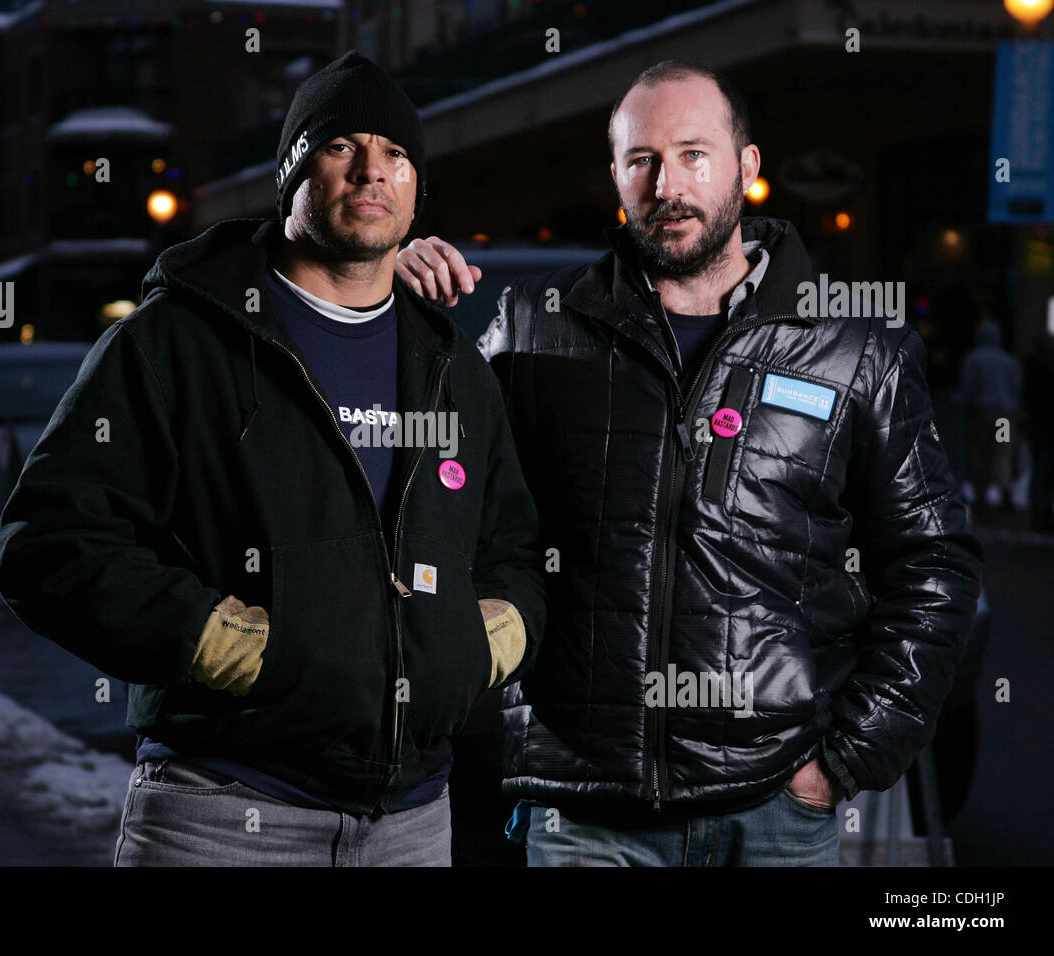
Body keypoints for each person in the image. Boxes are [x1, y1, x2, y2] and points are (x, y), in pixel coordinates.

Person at [396, 59, 983, 866]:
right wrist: (384, 305)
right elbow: (429, 494)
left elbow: (934, 565)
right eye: (642, 160)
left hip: (776, 809)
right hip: (585, 809)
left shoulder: (852, 351)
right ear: (617, 176)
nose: (666, 183)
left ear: (746, 167)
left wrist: (846, 760)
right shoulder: (535, 326)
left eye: (693, 154)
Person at [0, 51, 545, 867]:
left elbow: (514, 554)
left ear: (417, 188)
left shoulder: (450, 366)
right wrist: (236, 647)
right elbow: (50, 547)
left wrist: (464, 652)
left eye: (396, 154)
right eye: (341, 147)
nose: (372, 171)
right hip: (220, 818)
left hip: (414, 826)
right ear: (292, 175)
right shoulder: (176, 343)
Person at [959, 319, 1023, 513]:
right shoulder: (1008, 361)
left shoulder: (974, 359)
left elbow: (967, 389)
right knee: (1001, 453)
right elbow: (1017, 389)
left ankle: (981, 495)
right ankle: (1005, 489)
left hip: (982, 414)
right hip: (1004, 416)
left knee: (980, 454)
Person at [1023, 332, 1054, 531]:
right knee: (1044, 473)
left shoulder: (1031, 367)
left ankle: (1039, 514)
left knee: (1040, 471)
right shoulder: (1045, 369)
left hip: (1038, 425)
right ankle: (1041, 514)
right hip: (1045, 425)